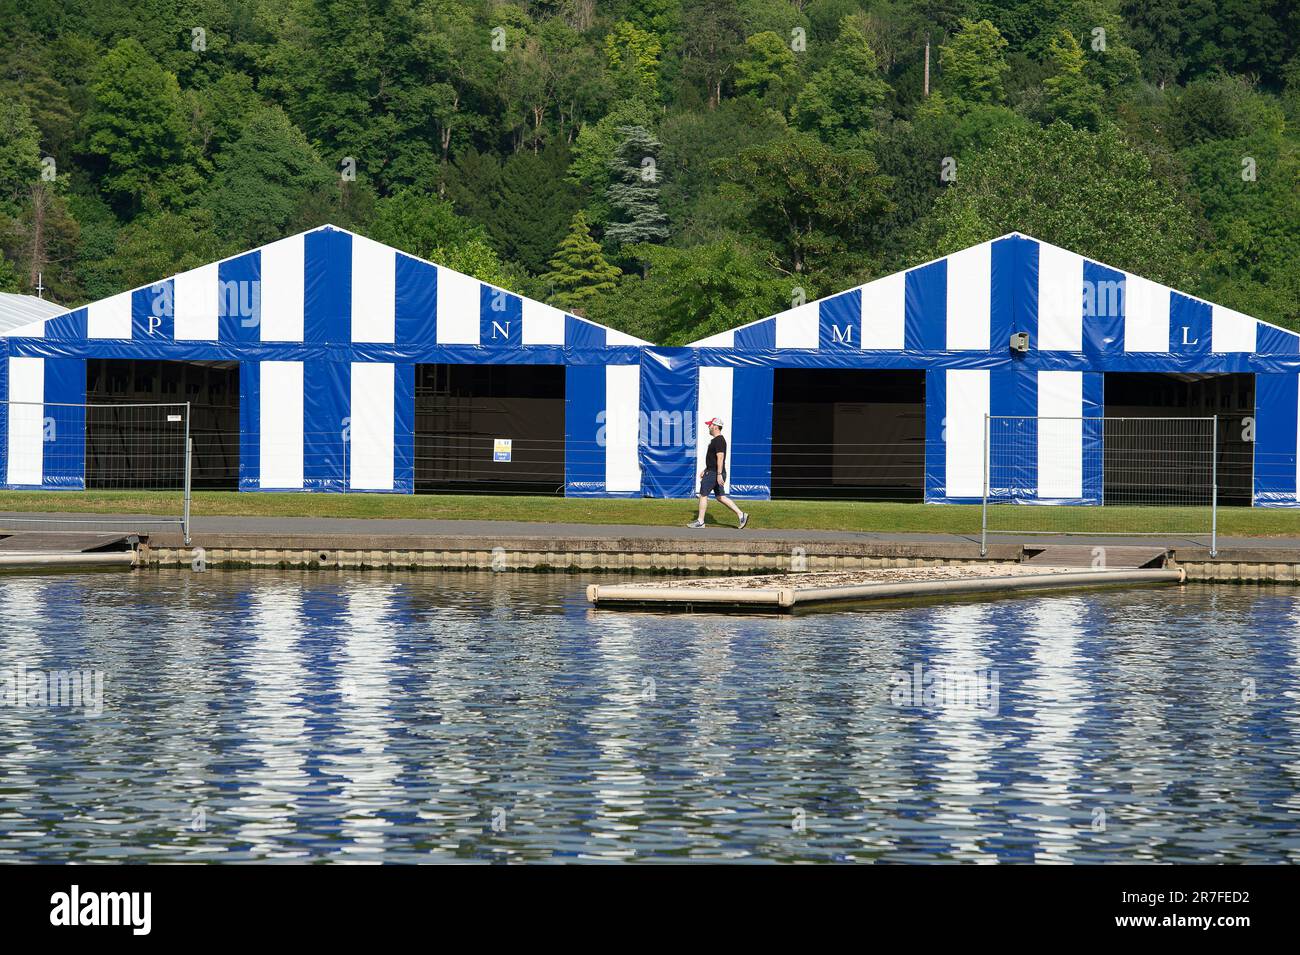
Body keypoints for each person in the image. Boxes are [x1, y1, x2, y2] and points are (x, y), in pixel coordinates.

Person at [688, 417, 749, 529]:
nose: (708, 426)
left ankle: (700, 522)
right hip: (712, 472)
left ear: (715, 426)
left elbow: (720, 457)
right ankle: (741, 515)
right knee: (720, 497)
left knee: (703, 495)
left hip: (714, 473)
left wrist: (718, 474)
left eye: (710, 425)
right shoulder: (716, 440)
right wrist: (706, 469)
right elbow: (714, 459)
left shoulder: (719, 440)